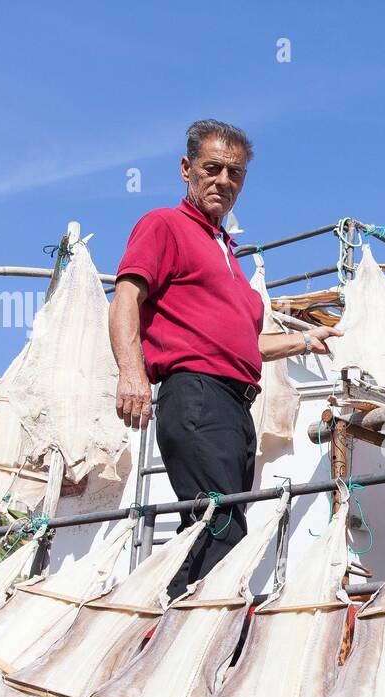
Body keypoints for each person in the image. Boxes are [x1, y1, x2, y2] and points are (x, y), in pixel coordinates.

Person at [109, 120, 339, 599]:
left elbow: (244, 347)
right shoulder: (164, 225)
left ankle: (159, 628)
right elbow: (126, 297)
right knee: (220, 527)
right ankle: (192, 648)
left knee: (212, 525)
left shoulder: (229, 256)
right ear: (186, 169)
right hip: (195, 396)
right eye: (212, 168)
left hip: (235, 407)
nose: (223, 181)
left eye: (235, 173)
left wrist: (303, 341)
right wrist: (130, 372)